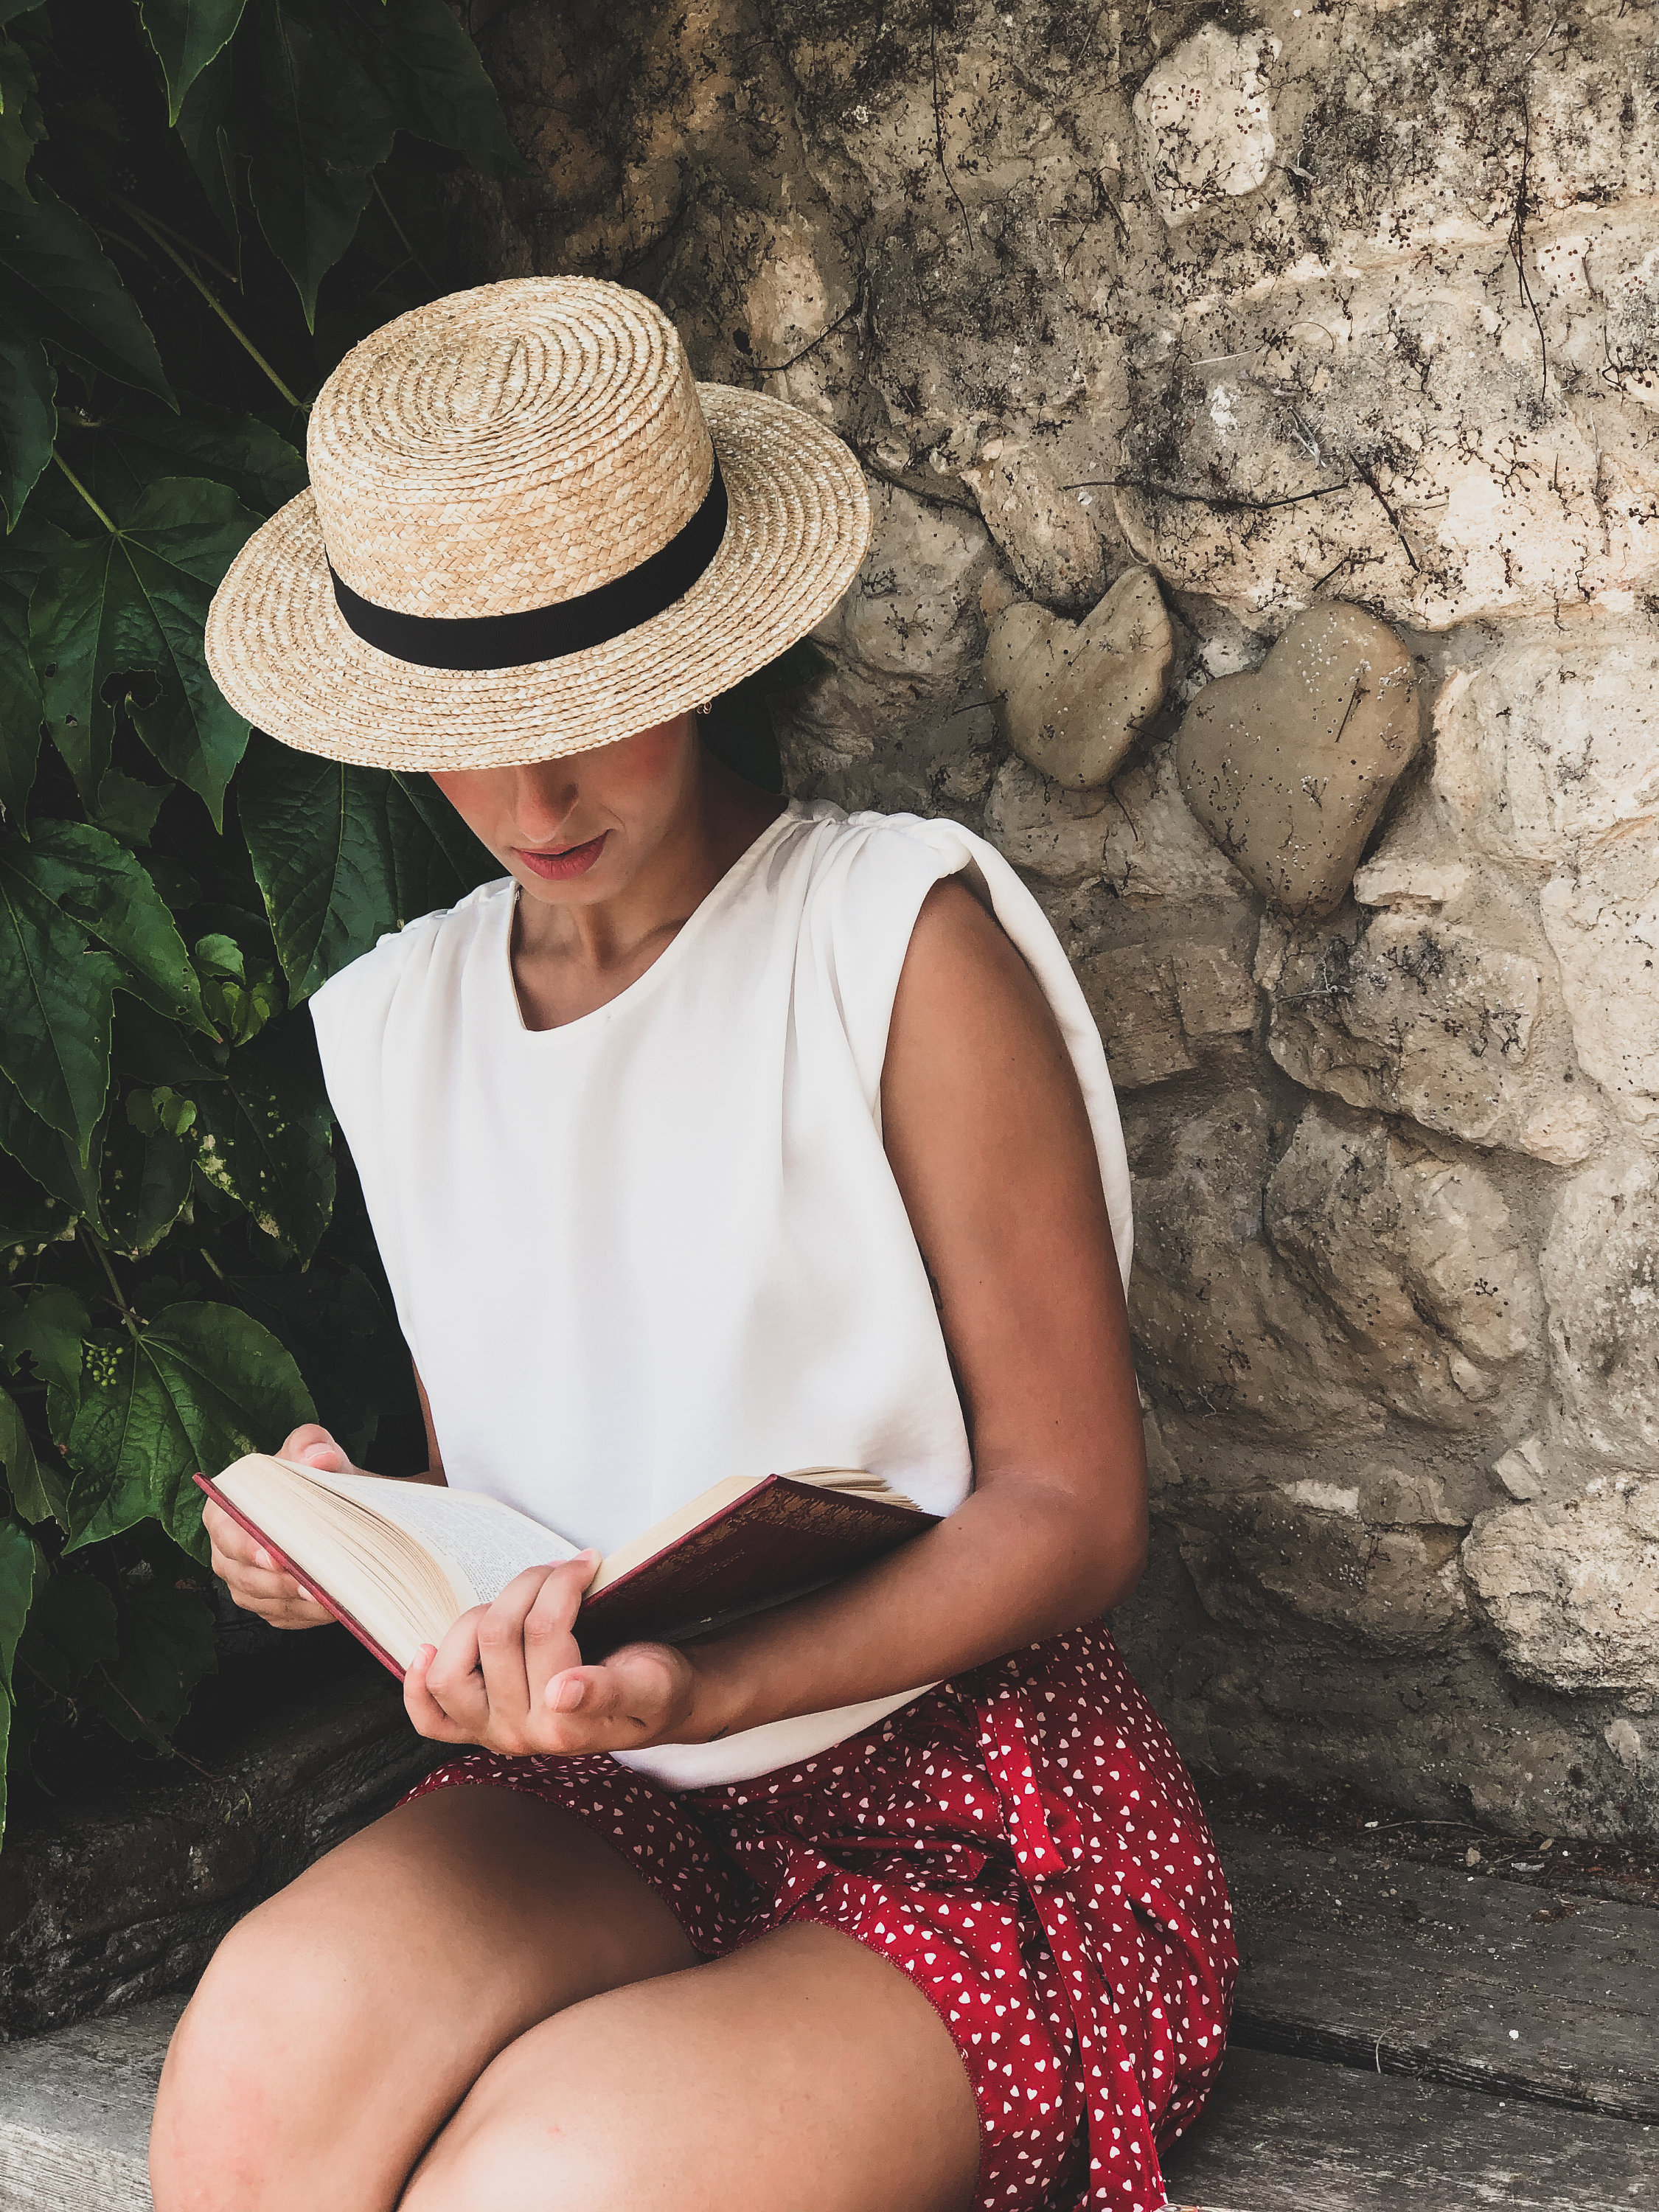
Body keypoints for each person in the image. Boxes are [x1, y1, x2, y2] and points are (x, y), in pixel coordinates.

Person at [150, 277, 1236, 2212]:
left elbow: (1073, 1506)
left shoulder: (890, 943)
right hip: (596, 1784)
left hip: (955, 1806)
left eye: (583, 714)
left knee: (543, 2190)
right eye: (466, 735)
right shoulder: (402, 1017)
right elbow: (536, 1460)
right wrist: (351, 1547)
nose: (530, 799)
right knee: (245, 2091)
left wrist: (707, 1696)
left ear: (701, 644)